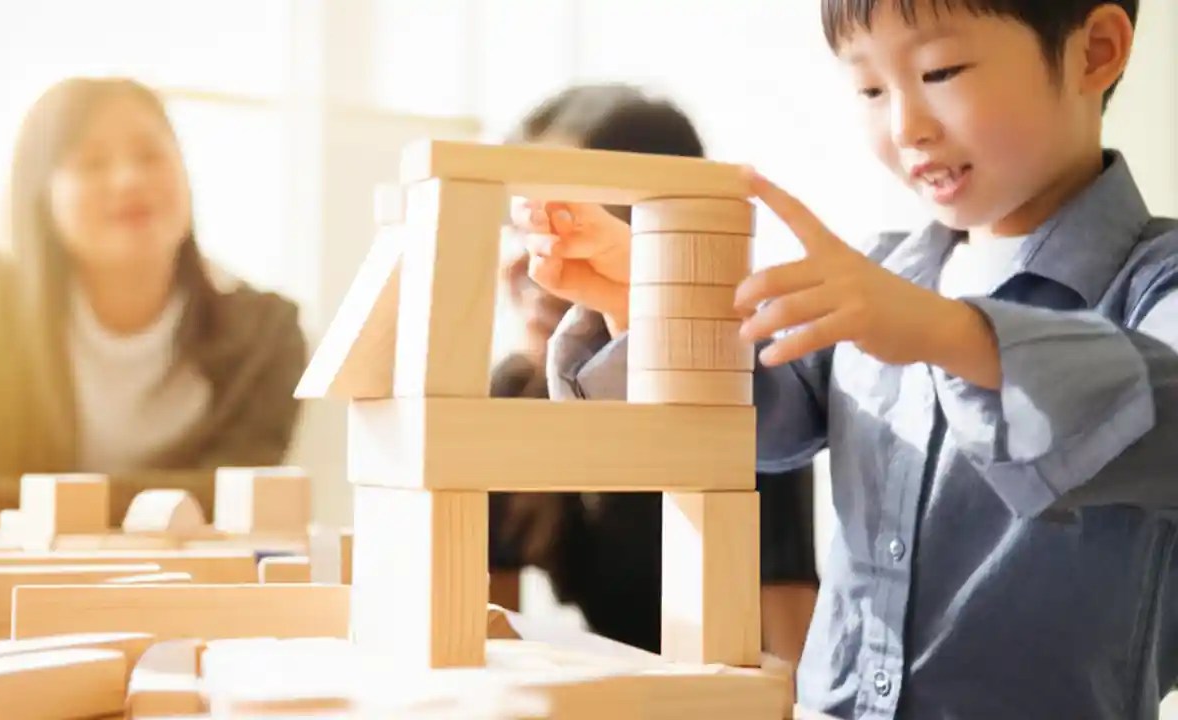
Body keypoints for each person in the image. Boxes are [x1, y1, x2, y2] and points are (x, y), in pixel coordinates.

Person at [515, 1, 1178, 718]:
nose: (905, 127)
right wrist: (644, 295)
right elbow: (744, 418)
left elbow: (1159, 403)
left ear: (1096, 51)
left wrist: (946, 331)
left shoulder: (1153, 281)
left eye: (940, 70)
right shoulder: (880, 275)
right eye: (869, 89)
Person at [489, 84, 819, 662]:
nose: (526, 258)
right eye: (521, 222)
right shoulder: (511, 393)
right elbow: (481, 629)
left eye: (565, 222)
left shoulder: (738, 386)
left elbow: (790, 646)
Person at [0, 78, 306, 492]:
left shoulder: (268, 332)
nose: (129, 179)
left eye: (151, 155)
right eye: (92, 162)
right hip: (17, 557)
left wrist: (31, 500)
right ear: (41, 193)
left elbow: (241, 498)